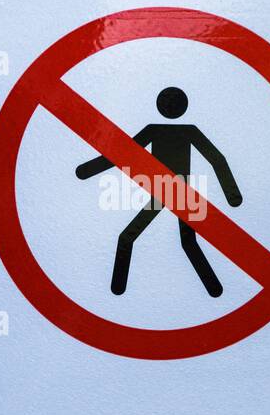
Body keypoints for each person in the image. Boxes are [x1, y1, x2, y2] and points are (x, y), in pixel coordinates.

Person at [75, 86, 242, 296]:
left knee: (129, 238)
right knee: (187, 242)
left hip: (172, 193)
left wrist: (87, 170)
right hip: (175, 194)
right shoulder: (183, 130)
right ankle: (214, 290)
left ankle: (214, 290)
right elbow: (217, 159)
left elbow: (119, 153)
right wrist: (232, 196)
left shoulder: (160, 129)